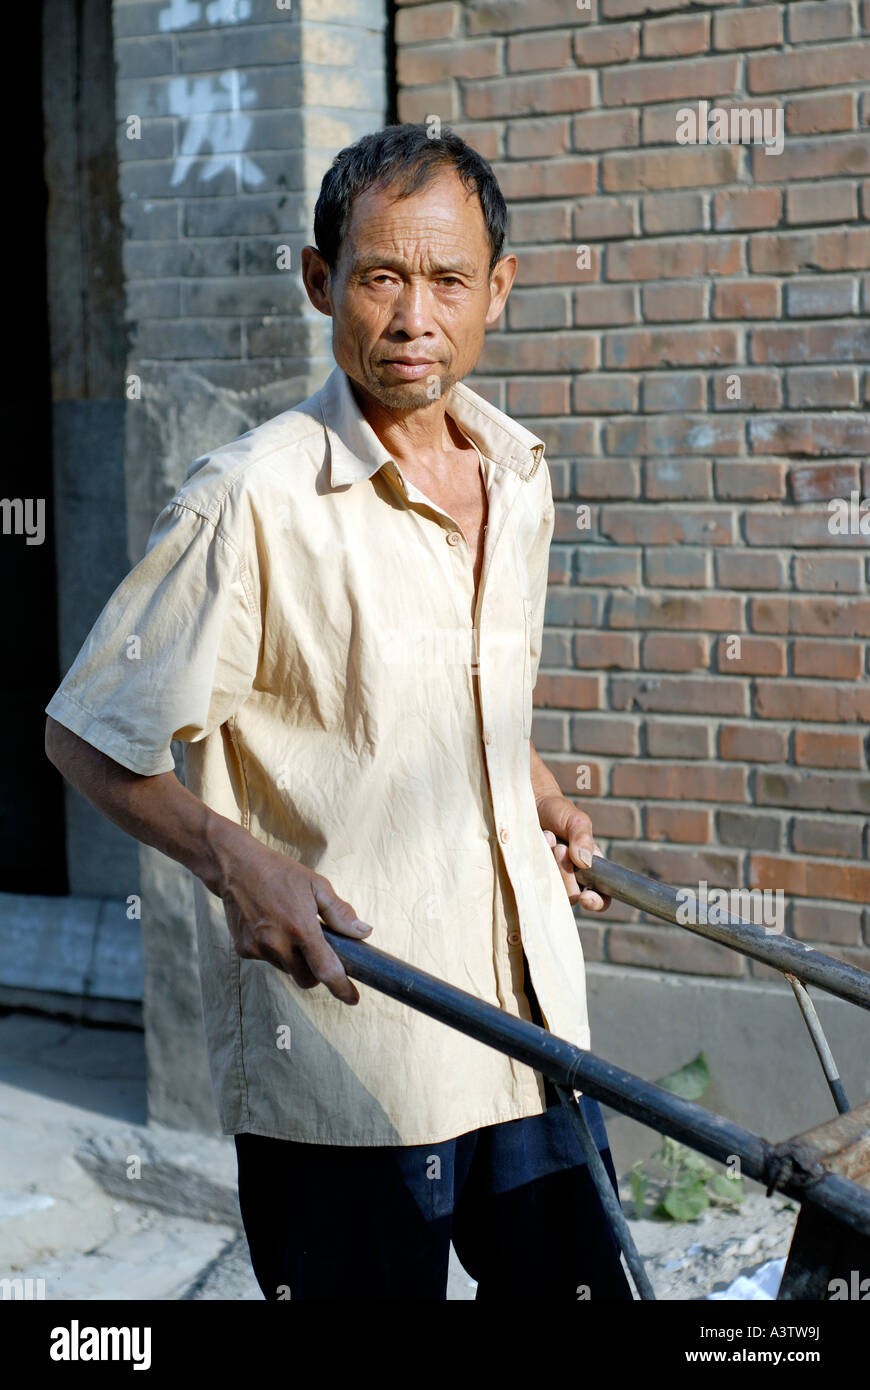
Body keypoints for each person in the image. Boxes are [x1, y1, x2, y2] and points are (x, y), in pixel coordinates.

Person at [44, 123, 633, 1302]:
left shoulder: (518, 476)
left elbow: (464, 698)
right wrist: (234, 861)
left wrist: (538, 792)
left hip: (529, 1038)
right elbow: (84, 731)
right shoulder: (251, 501)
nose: (416, 316)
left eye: (449, 280)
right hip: (355, 1052)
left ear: (498, 292)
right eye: (380, 276)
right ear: (321, 282)